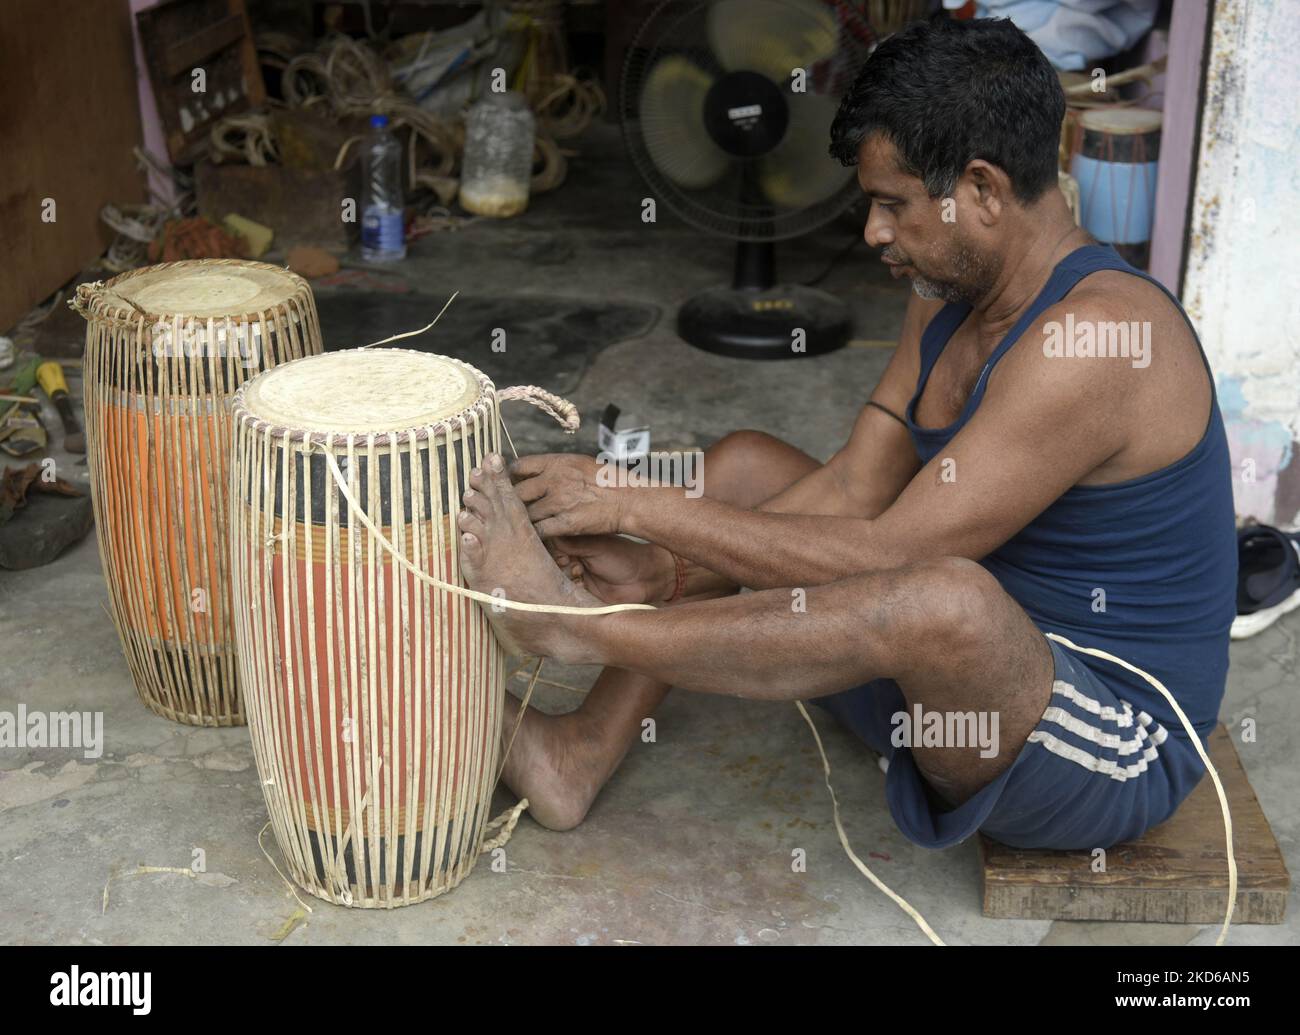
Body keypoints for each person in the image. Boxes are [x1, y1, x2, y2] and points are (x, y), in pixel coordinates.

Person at [454, 17, 1237, 851]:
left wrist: (629, 503)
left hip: (1090, 741)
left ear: (980, 189)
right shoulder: (945, 289)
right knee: (751, 467)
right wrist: (661, 563)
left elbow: (891, 557)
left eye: (893, 204)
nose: (872, 232)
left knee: (945, 600)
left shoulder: (1096, 343)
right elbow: (855, 489)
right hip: (925, 682)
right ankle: (574, 754)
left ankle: (572, 627)